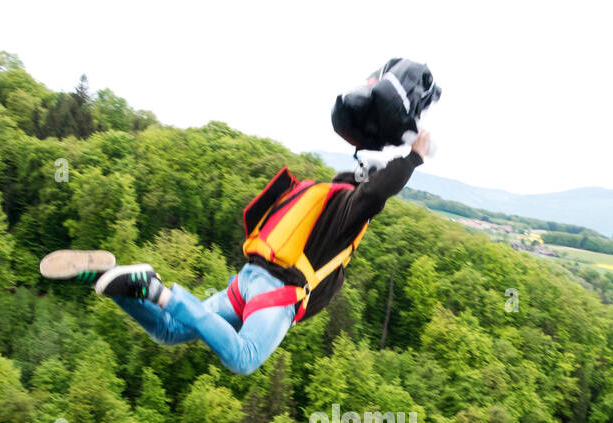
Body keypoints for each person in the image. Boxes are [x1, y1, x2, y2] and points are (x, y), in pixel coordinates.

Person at [40, 130, 430, 375]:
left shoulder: (322, 193)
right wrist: (414, 156)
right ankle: (155, 289)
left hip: (248, 281)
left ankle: (109, 279)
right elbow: (378, 192)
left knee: (168, 330)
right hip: (275, 294)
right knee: (242, 359)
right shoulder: (349, 210)